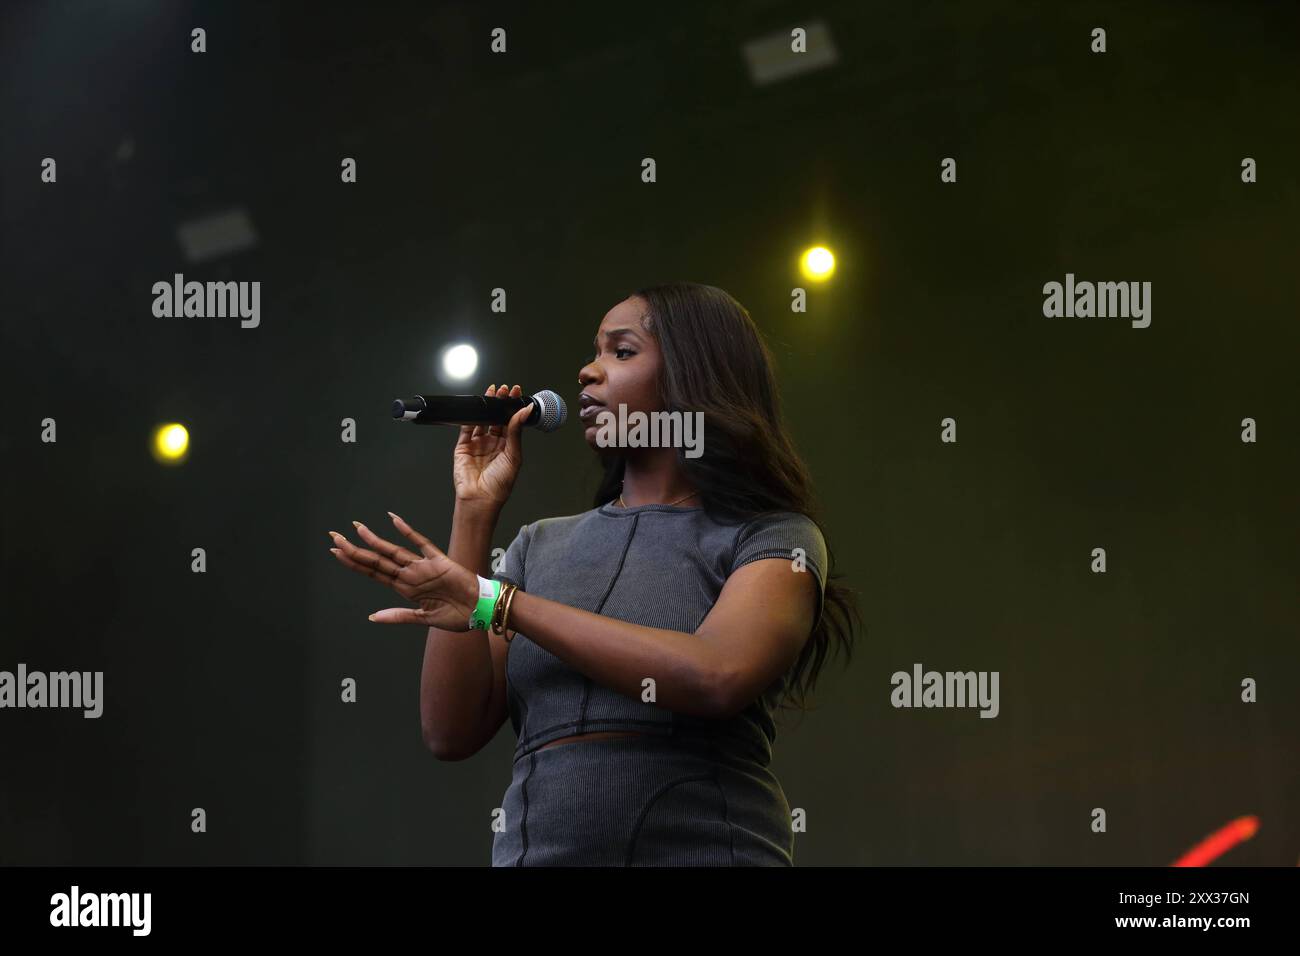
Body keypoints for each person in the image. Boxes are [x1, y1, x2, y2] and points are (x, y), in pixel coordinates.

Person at [328, 281, 860, 865]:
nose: (587, 371)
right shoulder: (540, 545)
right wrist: (475, 512)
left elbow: (719, 674)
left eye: (621, 352)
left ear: (695, 374)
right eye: (594, 351)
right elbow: (451, 733)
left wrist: (501, 603)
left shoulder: (772, 537)